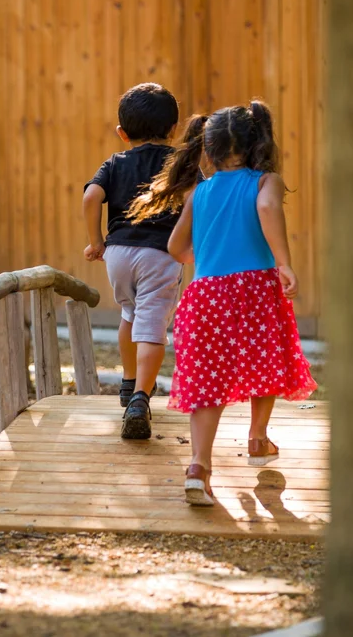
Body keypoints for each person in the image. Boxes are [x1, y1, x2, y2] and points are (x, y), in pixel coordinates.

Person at [130, 101, 317, 506]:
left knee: (206, 382)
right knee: (264, 358)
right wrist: (283, 264)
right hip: (255, 288)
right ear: (255, 145)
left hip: (206, 294)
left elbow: (176, 247)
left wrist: (210, 255)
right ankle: (257, 436)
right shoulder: (267, 181)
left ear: (207, 150)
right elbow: (267, 208)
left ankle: (199, 467)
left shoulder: (200, 191)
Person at [82, 83, 191, 440]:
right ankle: (141, 399)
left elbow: (91, 196)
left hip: (118, 254)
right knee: (153, 325)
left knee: (130, 314)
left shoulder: (114, 162)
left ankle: (128, 384)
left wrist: (97, 241)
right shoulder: (179, 163)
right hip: (160, 254)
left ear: (122, 133)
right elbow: (198, 199)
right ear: (173, 129)